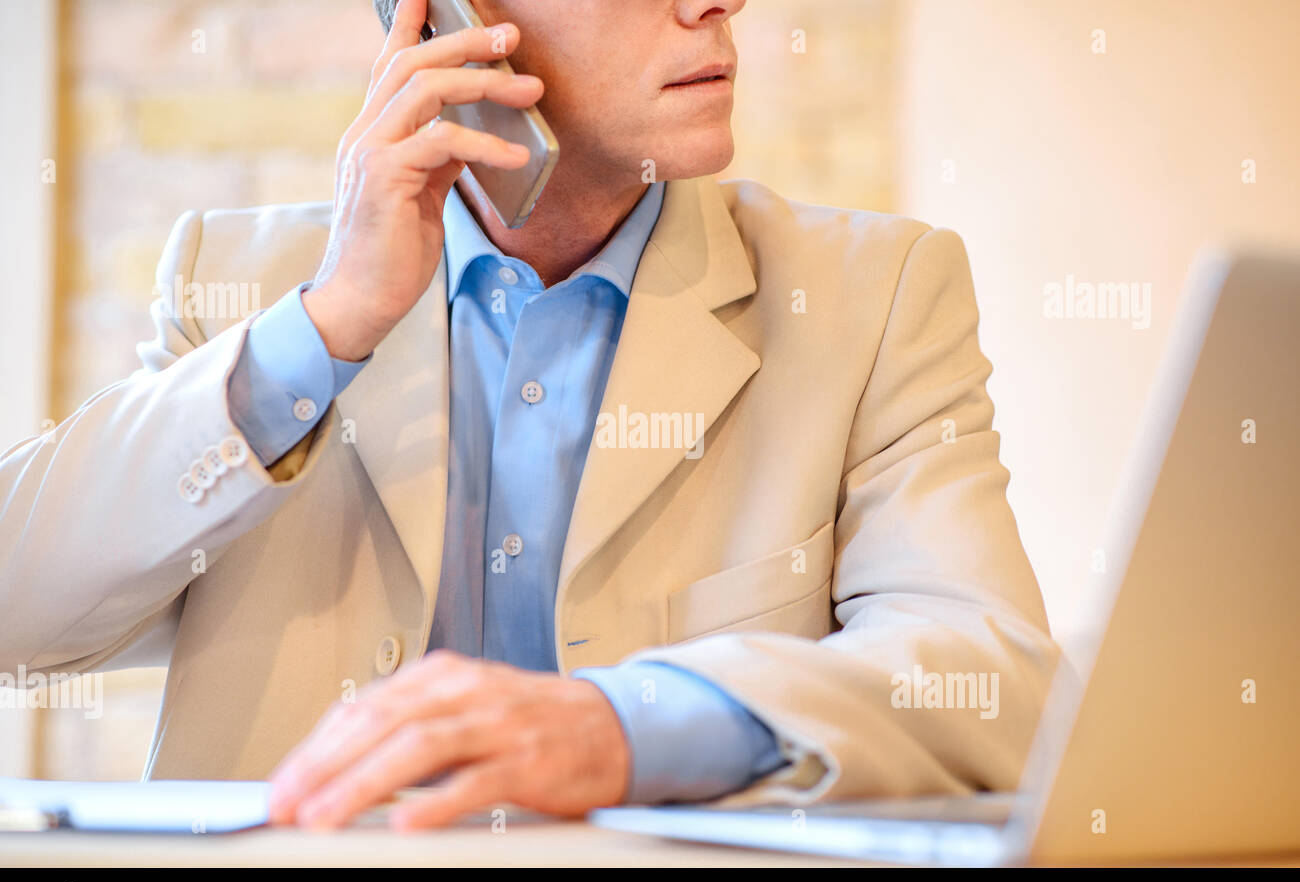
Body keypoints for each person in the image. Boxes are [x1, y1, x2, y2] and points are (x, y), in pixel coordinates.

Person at [0, 0, 1059, 830]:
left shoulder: (871, 294)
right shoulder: (240, 282)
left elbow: (990, 677)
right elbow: (16, 617)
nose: (719, 3)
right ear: (450, 16)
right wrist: (327, 328)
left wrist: (625, 728)